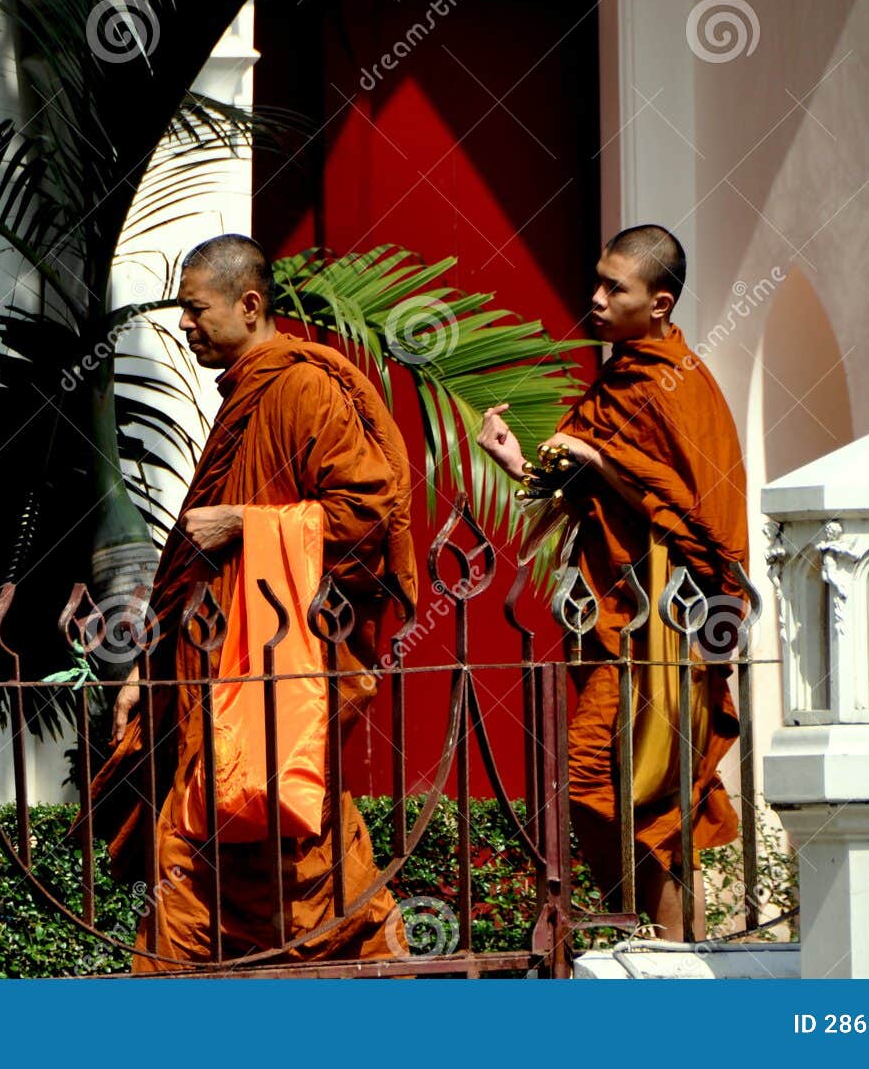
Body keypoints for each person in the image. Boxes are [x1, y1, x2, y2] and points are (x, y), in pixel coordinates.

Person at [86, 234, 417, 971]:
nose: (185, 325)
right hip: (213, 664)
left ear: (250, 304)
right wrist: (148, 672)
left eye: (196, 310)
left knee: (250, 844)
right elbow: (194, 574)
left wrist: (245, 524)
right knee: (224, 850)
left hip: (274, 668)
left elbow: (368, 507)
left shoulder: (303, 388)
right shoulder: (251, 392)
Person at [476, 224, 748, 940]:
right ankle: (664, 948)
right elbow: (581, 490)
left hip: (668, 622)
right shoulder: (621, 376)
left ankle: (658, 945)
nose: (594, 299)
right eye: (596, 281)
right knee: (642, 800)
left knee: (610, 785)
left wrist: (597, 460)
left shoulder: (673, 385)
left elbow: (699, 520)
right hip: (617, 618)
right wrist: (516, 463)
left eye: (614, 287)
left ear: (659, 303)